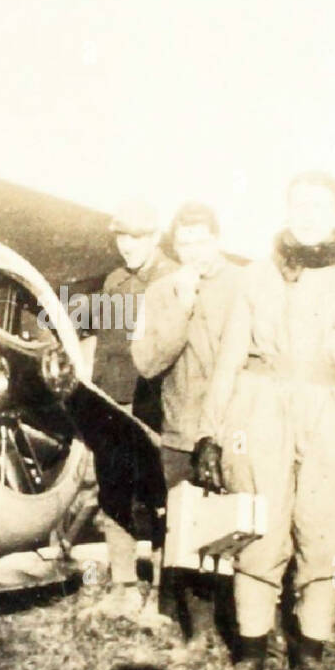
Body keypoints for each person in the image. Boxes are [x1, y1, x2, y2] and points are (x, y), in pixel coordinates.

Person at [194, 171, 335, 670]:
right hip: (260, 412)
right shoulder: (255, 277)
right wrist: (211, 433)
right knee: (257, 527)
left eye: (319, 205)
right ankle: (252, 650)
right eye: (299, 204)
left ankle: (309, 654)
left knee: (329, 529)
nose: (308, 214)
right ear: (286, 209)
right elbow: (228, 359)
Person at [130, 202, 242, 646]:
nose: (193, 251)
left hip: (233, 427)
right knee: (185, 529)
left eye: (202, 240)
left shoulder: (242, 284)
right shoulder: (160, 290)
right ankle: (191, 623)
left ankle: (237, 622)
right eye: (184, 243)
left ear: (218, 239)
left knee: (233, 528)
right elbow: (146, 361)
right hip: (180, 427)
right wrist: (182, 305)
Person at [82, 200, 177, 621]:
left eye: (137, 237)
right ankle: (123, 586)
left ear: (155, 238)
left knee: (159, 496)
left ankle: (160, 590)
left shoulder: (174, 278)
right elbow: (105, 347)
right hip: (112, 402)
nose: (128, 245)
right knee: (113, 490)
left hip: (153, 406)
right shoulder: (114, 280)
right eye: (122, 236)